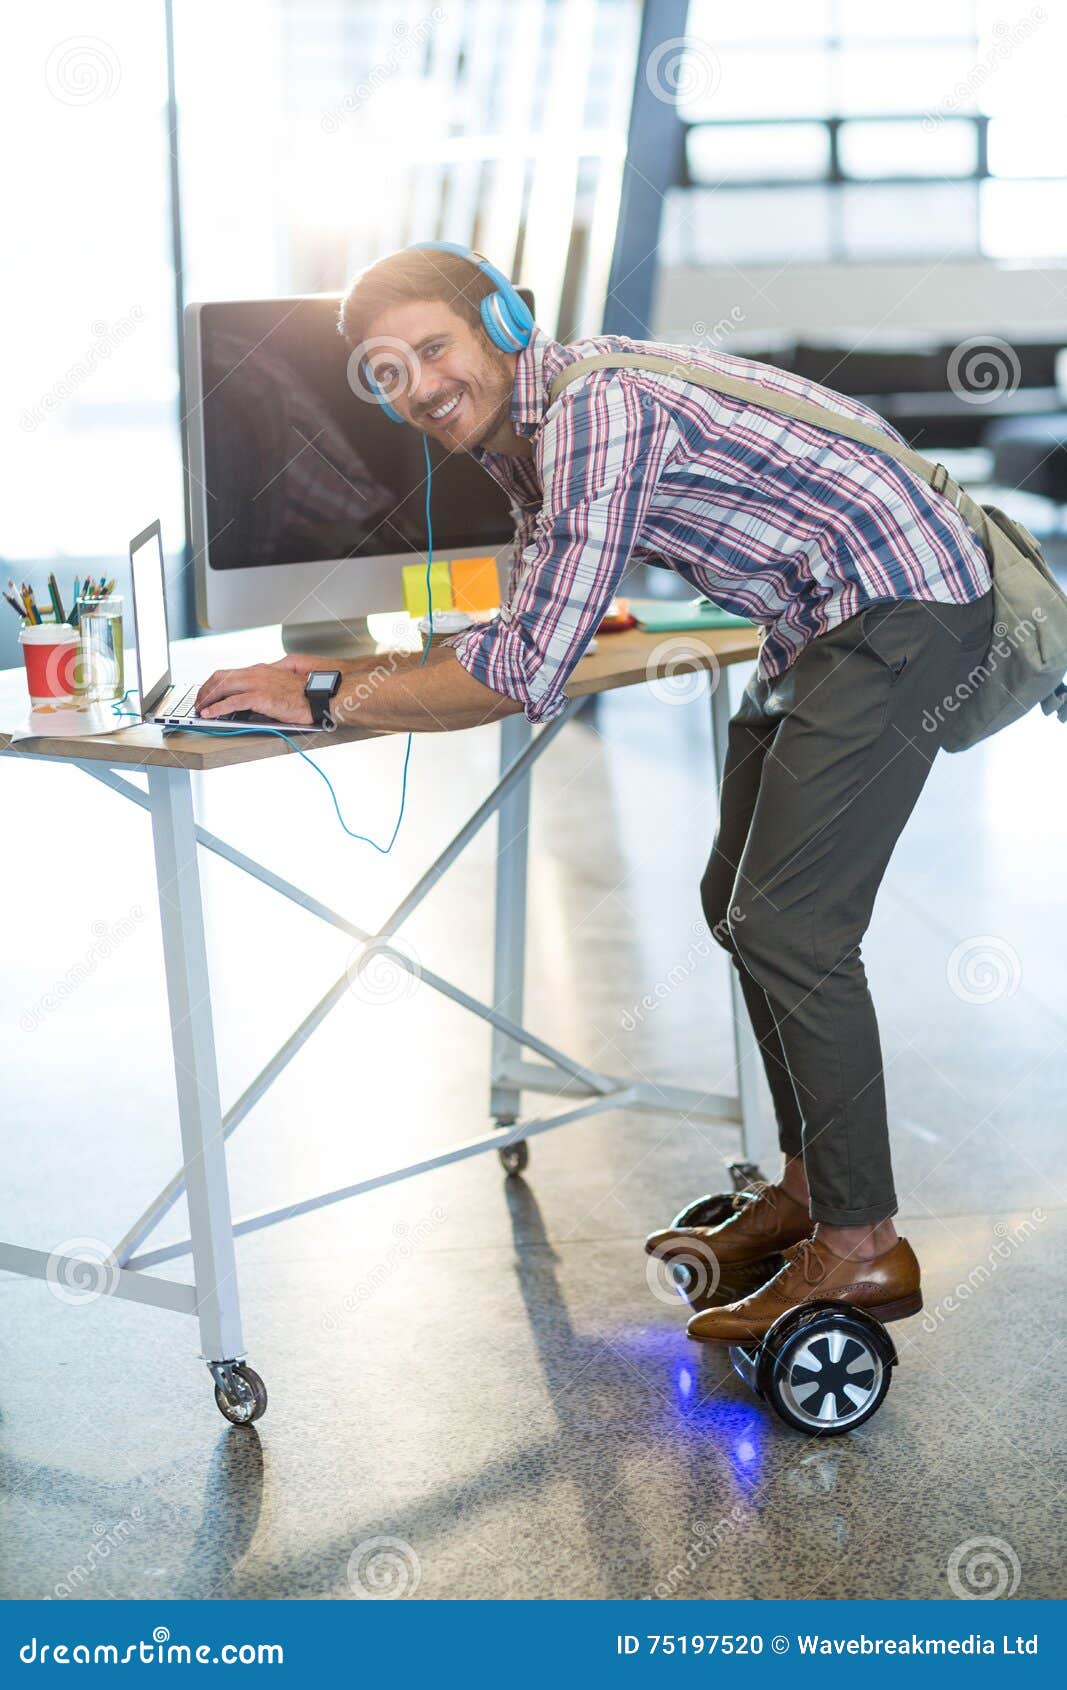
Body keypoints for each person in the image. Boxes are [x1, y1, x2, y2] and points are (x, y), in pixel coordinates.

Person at [195, 245, 995, 1343]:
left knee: (791, 922)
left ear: (504, 323)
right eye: (387, 374)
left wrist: (327, 693)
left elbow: (523, 667)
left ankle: (860, 1248)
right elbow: (536, 611)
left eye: (432, 348)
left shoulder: (590, 414)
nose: (418, 387)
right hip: (813, 612)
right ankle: (810, 1190)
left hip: (897, 598)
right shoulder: (529, 432)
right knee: (737, 904)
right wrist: (391, 667)